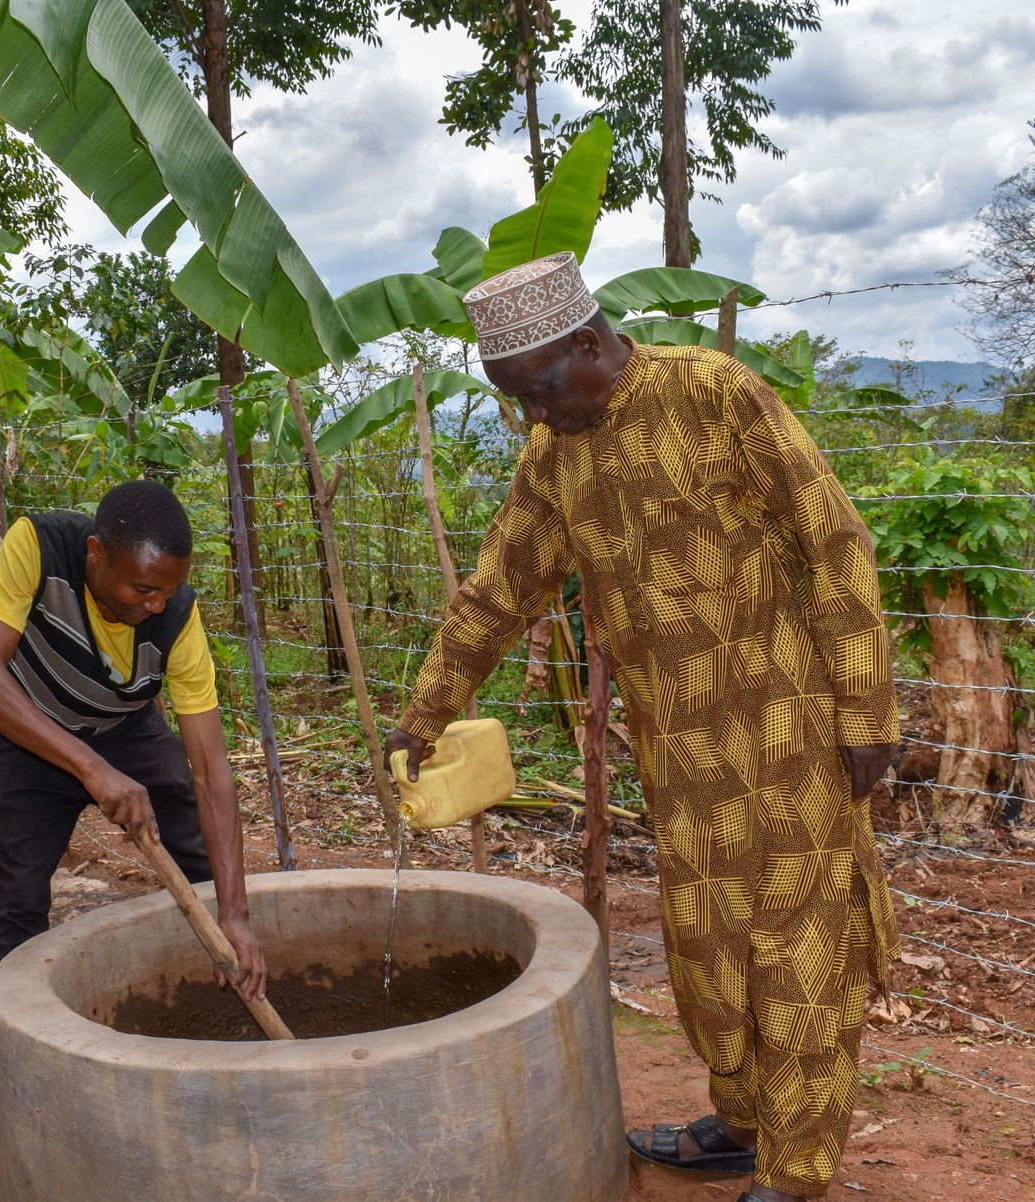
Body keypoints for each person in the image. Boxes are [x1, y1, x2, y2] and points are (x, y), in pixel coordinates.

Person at [383, 253, 899, 1202]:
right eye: (516, 405)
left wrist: (867, 708)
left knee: (798, 951)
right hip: (679, 752)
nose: (535, 418)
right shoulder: (556, 453)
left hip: (792, 732)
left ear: (587, 345)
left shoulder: (713, 396)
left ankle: (799, 1172)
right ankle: (743, 1126)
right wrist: (425, 715)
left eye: (539, 392)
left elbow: (834, 540)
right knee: (707, 948)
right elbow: (498, 589)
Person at [0, 480, 266, 1188]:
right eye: (140, 588)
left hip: (127, 734)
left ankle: (204, 1047)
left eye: (167, 592)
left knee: (198, 862)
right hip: (27, 729)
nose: (153, 604)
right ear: (95, 554)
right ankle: (19, 1113)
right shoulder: (39, 546)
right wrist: (90, 771)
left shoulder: (177, 617)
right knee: (22, 909)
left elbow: (213, 771)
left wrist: (236, 912)